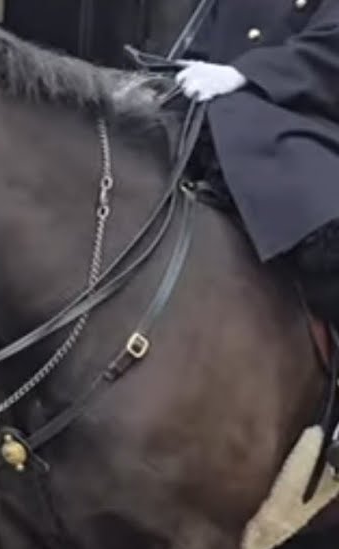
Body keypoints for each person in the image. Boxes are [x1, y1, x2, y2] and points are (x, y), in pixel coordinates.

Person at [174, 0, 339, 463]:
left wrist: (247, 75)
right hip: (219, 119)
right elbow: (207, 38)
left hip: (311, 121)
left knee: (322, 222)